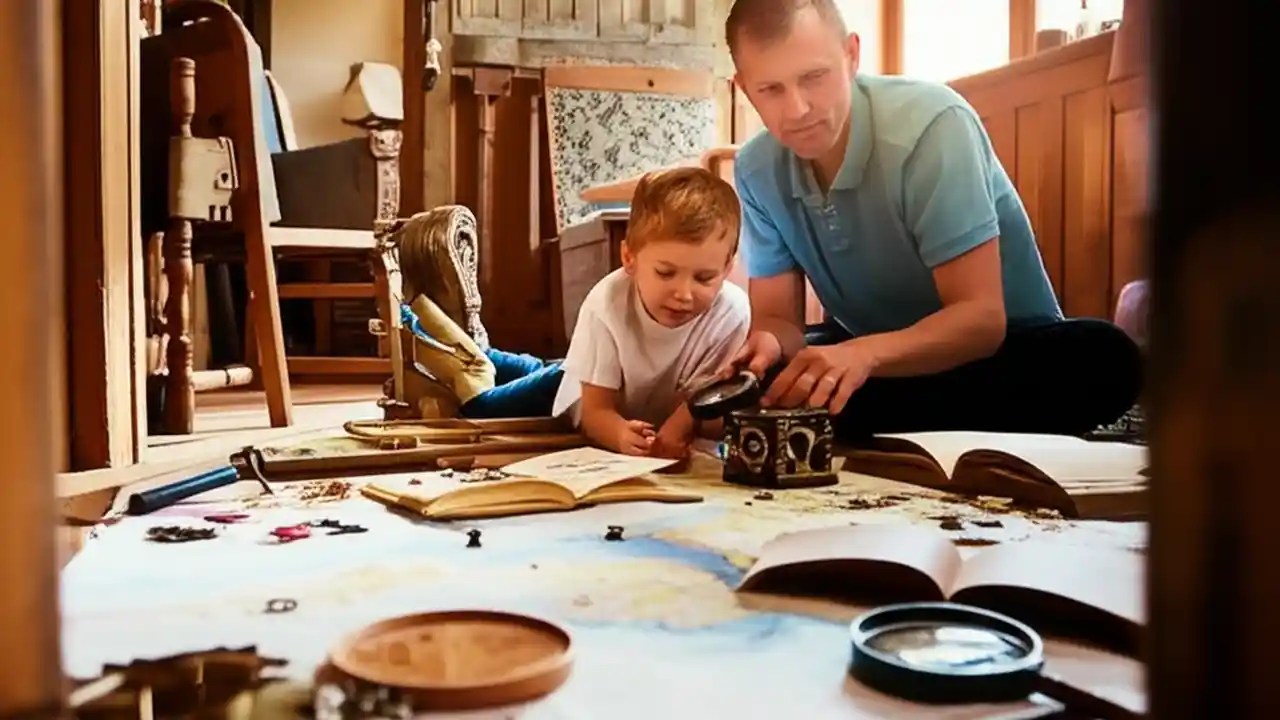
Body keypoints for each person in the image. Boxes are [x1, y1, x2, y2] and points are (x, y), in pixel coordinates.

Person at [720, 0, 1141, 440]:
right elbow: (781, 323)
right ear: (745, 89)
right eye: (771, 89)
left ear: (851, 55)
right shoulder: (755, 169)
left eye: (814, 77)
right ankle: (895, 424)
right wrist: (767, 345)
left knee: (1104, 359)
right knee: (771, 383)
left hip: (999, 353)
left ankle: (863, 425)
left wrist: (863, 356)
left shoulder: (932, 125)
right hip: (874, 356)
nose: (798, 109)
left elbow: (980, 321)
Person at [551, 167, 751, 458]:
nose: (684, 294)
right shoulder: (606, 303)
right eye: (666, 273)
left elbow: (701, 408)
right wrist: (619, 434)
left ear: (727, 269)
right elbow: (595, 413)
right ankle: (494, 358)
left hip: (649, 402)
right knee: (492, 399)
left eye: (704, 278)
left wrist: (678, 430)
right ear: (629, 258)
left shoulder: (732, 313)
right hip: (577, 386)